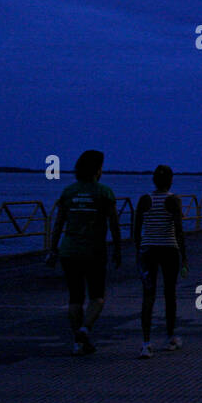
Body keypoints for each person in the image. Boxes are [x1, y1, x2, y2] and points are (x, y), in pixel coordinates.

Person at [48, 150, 121, 356]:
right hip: (94, 251)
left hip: (69, 251)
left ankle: (78, 343)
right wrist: (117, 248)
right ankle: (85, 329)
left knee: (75, 298)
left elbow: (58, 223)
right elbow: (114, 224)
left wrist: (52, 249)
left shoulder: (69, 192)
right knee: (97, 297)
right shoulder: (104, 192)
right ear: (98, 170)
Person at [132, 165, 187, 358]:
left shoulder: (144, 199)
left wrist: (139, 250)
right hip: (169, 249)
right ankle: (170, 337)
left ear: (153, 180)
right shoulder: (173, 200)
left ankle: (146, 343)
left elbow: (136, 228)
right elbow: (179, 230)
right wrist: (185, 256)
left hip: (148, 250)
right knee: (169, 293)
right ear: (171, 180)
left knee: (148, 295)